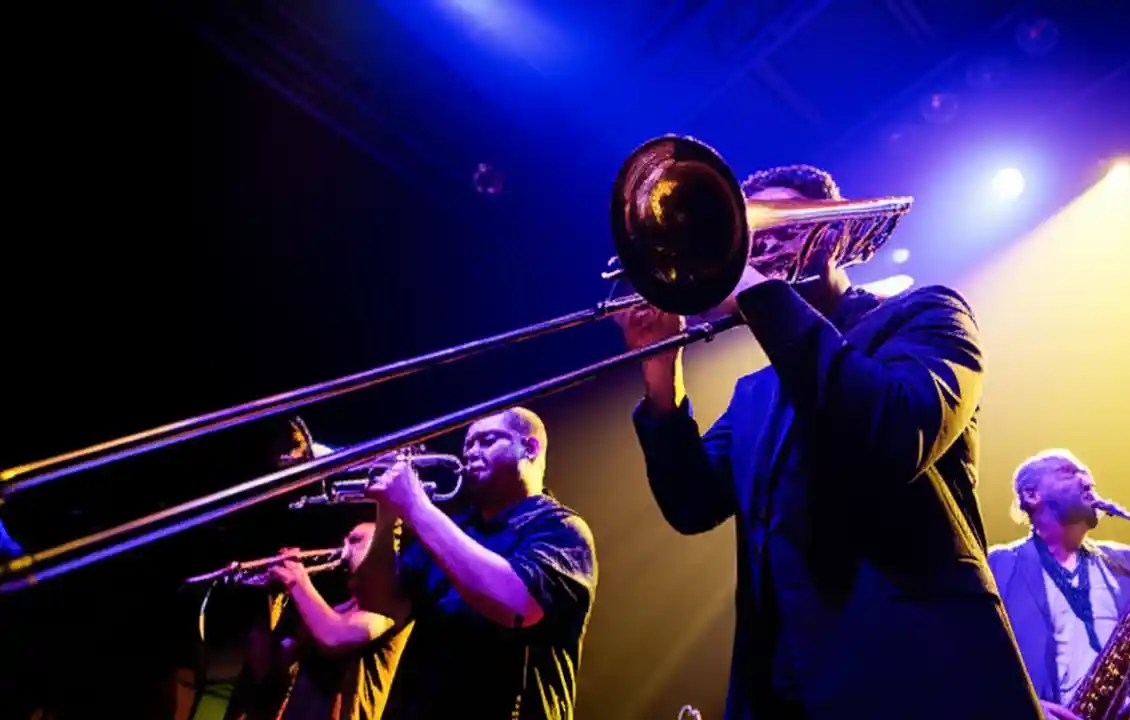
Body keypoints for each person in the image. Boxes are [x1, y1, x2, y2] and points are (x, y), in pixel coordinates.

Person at [618, 164, 1044, 718]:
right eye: (745, 235)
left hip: (921, 675)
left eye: (779, 227)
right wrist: (659, 364)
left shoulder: (925, 315)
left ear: (836, 235)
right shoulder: (755, 394)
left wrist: (759, 293)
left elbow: (893, 432)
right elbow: (691, 503)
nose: (757, 247)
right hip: (782, 688)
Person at [360, 407, 597, 720]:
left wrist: (417, 507)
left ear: (529, 448)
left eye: (486, 441)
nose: (471, 452)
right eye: (468, 445)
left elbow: (516, 604)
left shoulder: (560, 529)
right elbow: (382, 602)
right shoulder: (454, 530)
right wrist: (387, 515)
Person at [987, 449, 1130, 720]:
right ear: (1031, 495)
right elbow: (962, 663)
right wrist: (1024, 706)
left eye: (1087, 474)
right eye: (1068, 472)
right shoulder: (998, 565)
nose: (1086, 479)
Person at [224, 521, 411, 720]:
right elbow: (269, 666)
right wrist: (271, 601)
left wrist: (296, 580)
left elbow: (333, 636)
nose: (345, 547)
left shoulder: (389, 608)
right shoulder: (336, 610)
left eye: (356, 541)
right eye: (346, 540)